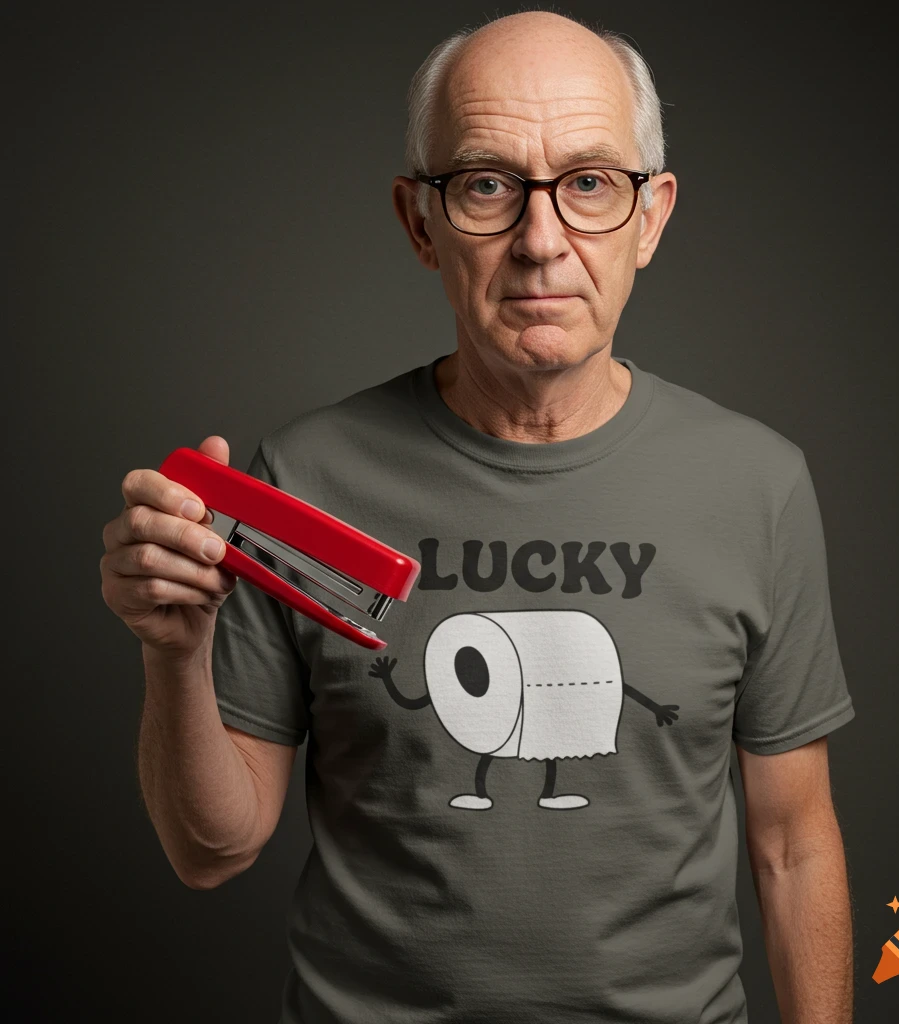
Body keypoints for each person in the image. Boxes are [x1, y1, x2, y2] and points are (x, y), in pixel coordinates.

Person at [100, 10, 855, 1023]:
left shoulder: (756, 484)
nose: (541, 242)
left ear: (651, 217)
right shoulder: (304, 477)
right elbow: (210, 850)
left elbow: (793, 843)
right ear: (421, 222)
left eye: (590, 183)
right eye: (487, 185)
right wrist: (173, 653)